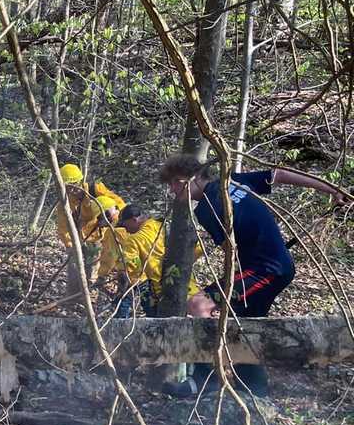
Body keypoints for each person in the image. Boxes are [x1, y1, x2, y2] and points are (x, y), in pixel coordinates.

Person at [158, 154, 346, 398]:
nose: (172, 189)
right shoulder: (233, 180)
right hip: (268, 267)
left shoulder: (206, 208)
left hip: (266, 269)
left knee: (198, 304)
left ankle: (207, 378)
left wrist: (329, 189)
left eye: (176, 182)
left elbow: (230, 252)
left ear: (194, 177)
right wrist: (329, 188)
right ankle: (255, 391)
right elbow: (278, 175)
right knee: (245, 326)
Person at [113, 204, 201, 317]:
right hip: (189, 290)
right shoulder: (164, 225)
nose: (127, 231)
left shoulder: (134, 241)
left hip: (164, 296)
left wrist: (121, 291)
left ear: (134, 220)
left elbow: (128, 269)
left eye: (125, 226)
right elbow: (197, 249)